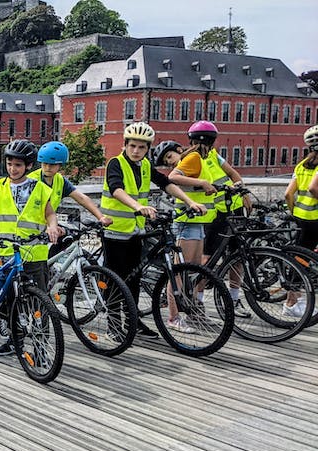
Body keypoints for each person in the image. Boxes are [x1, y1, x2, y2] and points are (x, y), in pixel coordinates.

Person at [99, 122, 207, 339]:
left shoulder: (145, 165)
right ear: (125, 145)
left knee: (134, 278)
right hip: (114, 230)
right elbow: (116, 189)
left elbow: (166, 183)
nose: (136, 151)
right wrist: (138, 207)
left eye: (141, 147)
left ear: (148, 148)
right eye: (132, 146)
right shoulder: (116, 163)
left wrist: (189, 201)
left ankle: (133, 321)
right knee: (115, 278)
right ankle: (113, 324)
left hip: (135, 231)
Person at [0, 139, 63, 356]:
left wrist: (52, 226)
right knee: (11, 302)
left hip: (35, 253)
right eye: (9, 164)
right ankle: (14, 340)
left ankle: (41, 349)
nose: (13, 169)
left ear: (29, 166)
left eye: (18, 165)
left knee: (40, 304)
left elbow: (50, 213)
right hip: (9, 252)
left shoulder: (40, 188)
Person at [186, 121, 253, 318]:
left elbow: (232, 173)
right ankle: (197, 301)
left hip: (234, 207)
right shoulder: (193, 158)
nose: (206, 144)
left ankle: (233, 299)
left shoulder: (214, 155)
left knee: (237, 256)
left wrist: (242, 191)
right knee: (207, 259)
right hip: (214, 214)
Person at [165, 137, 221, 329]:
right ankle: (173, 318)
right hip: (186, 222)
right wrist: (202, 182)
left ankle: (194, 313)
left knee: (195, 271)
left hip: (197, 222)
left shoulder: (201, 158)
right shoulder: (194, 157)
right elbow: (173, 177)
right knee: (179, 273)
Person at [26, 140, 113, 259]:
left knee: (68, 236)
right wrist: (48, 227)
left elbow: (81, 198)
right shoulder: (32, 181)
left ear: (60, 165)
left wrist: (101, 217)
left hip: (47, 224)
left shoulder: (60, 181)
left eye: (52, 165)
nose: (47, 167)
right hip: (28, 227)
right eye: (44, 164)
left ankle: (49, 263)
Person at [281, 124, 318, 316]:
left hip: (302, 219)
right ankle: (292, 302)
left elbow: (288, 194)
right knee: (303, 260)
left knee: (300, 259)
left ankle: (295, 300)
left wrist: (294, 212)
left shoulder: (301, 165)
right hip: (315, 219)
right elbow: (313, 188)